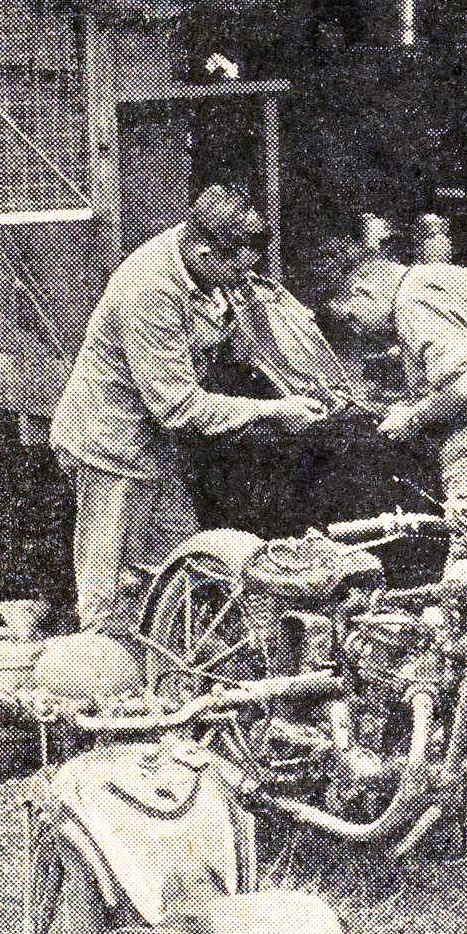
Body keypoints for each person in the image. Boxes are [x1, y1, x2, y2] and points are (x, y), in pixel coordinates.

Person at [51, 183, 326, 636]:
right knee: (110, 589)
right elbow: (176, 404)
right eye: (237, 263)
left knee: (187, 566)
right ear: (203, 248)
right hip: (111, 446)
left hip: (160, 452)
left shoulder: (207, 274)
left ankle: (174, 675)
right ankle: (102, 684)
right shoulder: (150, 288)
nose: (245, 275)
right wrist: (273, 412)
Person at [307, 242, 467, 509]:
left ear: (363, 290)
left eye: (352, 320)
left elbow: (463, 387)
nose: (358, 331)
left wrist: (411, 420)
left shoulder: (412, 299)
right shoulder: (443, 278)